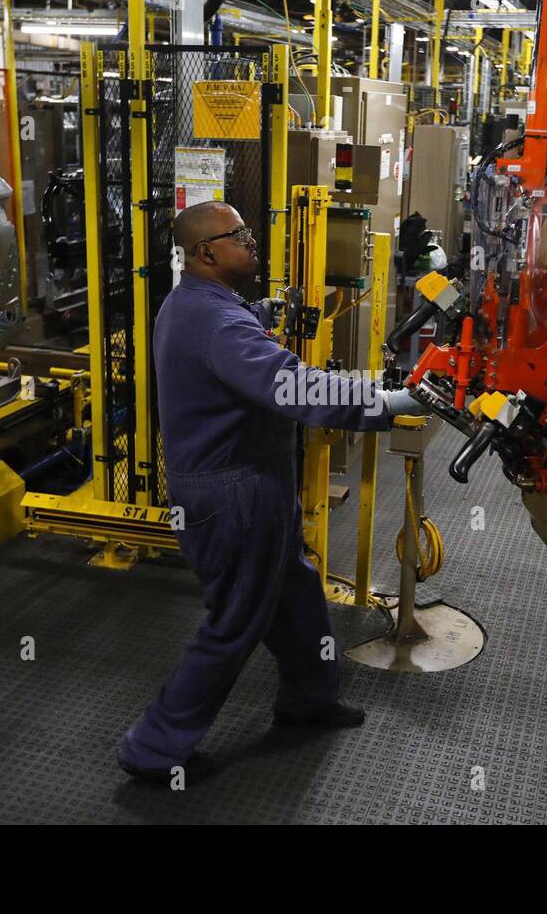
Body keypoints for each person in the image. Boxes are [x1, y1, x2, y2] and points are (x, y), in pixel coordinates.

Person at [118, 201, 422, 785]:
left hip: (251, 481)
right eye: (240, 237)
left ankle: (307, 698)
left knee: (297, 596)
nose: (252, 244)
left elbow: (236, 331)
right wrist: (390, 403)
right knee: (235, 621)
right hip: (233, 495)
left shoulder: (196, 304)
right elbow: (297, 389)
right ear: (206, 252)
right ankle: (154, 749)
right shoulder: (218, 325)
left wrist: (264, 310)